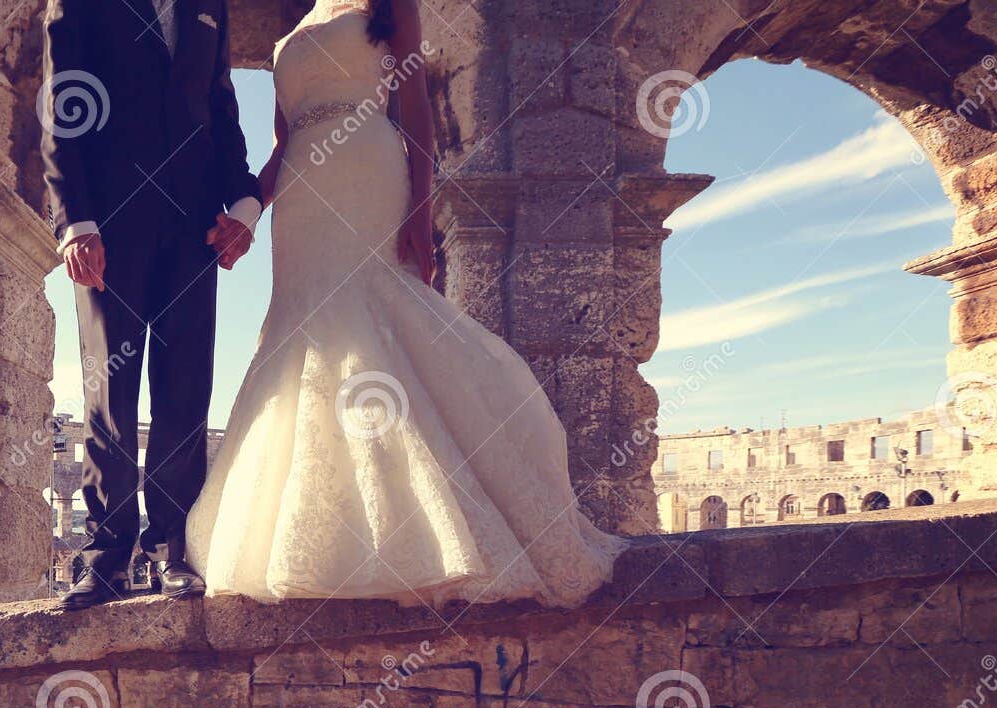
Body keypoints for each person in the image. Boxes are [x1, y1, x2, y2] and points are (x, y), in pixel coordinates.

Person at [186, 0, 625, 607]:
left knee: (374, 314)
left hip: (367, 167)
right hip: (300, 198)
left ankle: (428, 531)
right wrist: (246, 215)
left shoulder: (386, 5)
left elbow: (416, 112)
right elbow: (282, 143)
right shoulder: (291, 33)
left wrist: (422, 210)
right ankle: (335, 533)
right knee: (305, 329)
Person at [41, 0, 260, 610]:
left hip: (194, 225)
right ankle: (107, 557)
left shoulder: (207, 8)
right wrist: (74, 219)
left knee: (186, 388)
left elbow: (221, 109)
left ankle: (174, 549)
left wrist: (244, 204)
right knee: (109, 389)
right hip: (107, 225)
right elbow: (64, 103)